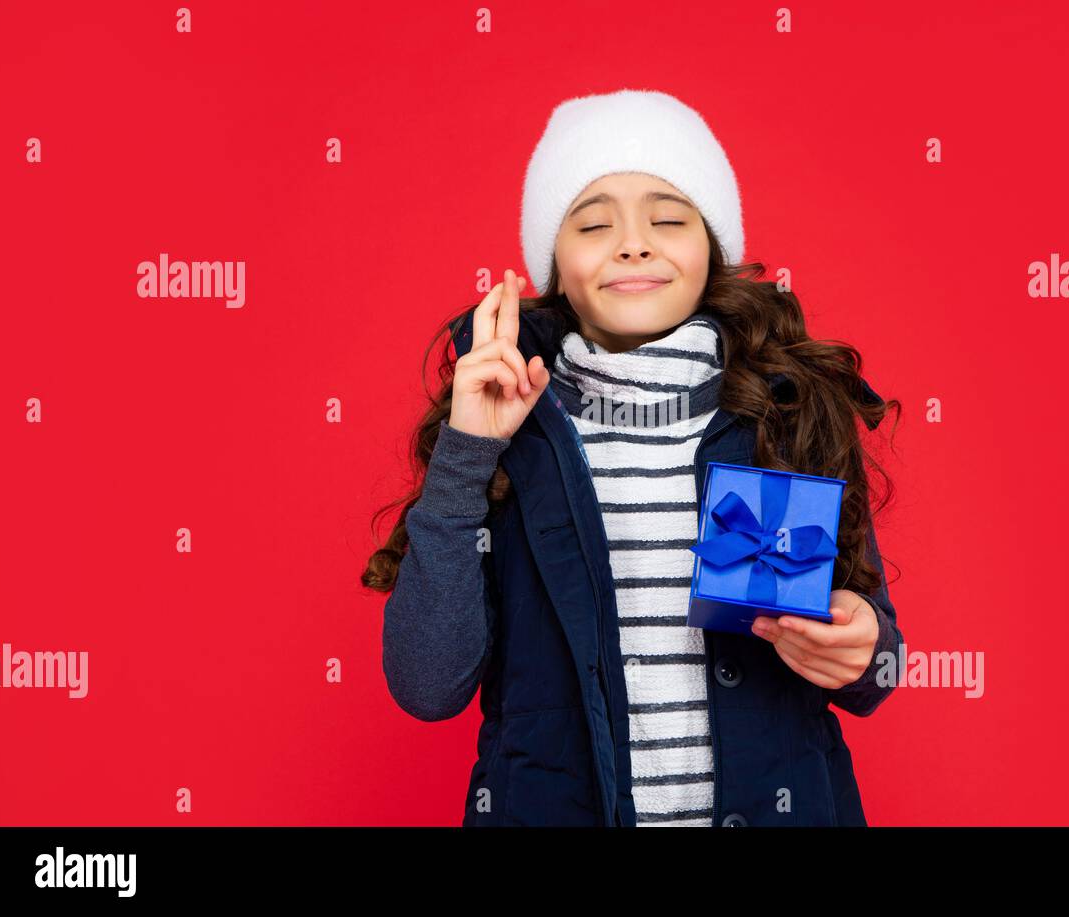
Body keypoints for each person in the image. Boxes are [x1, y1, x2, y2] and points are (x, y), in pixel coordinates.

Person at [363, 89, 903, 826]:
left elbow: (874, 668)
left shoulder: (784, 408)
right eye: (592, 222)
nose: (633, 243)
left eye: (669, 218)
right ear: (551, 258)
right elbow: (427, 685)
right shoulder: (506, 423)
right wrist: (467, 449)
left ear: (712, 244)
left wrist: (862, 645)